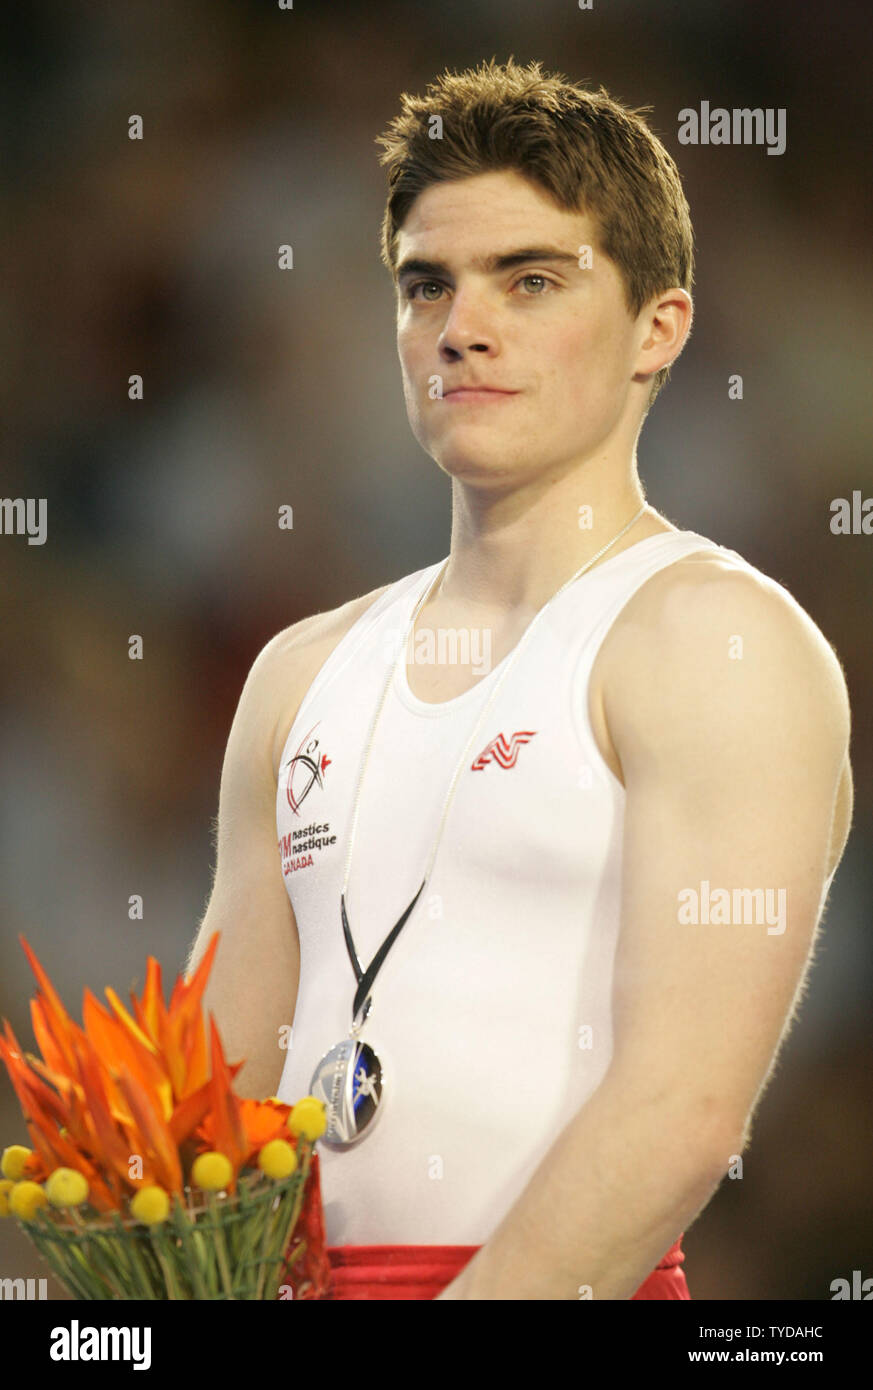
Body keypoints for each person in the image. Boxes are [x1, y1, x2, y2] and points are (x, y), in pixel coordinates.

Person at [185, 58, 853, 1300]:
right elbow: (198, 1116)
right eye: (425, 284)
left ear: (660, 327)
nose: (462, 326)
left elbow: (683, 1111)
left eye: (531, 280)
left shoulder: (714, 642)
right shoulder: (299, 673)